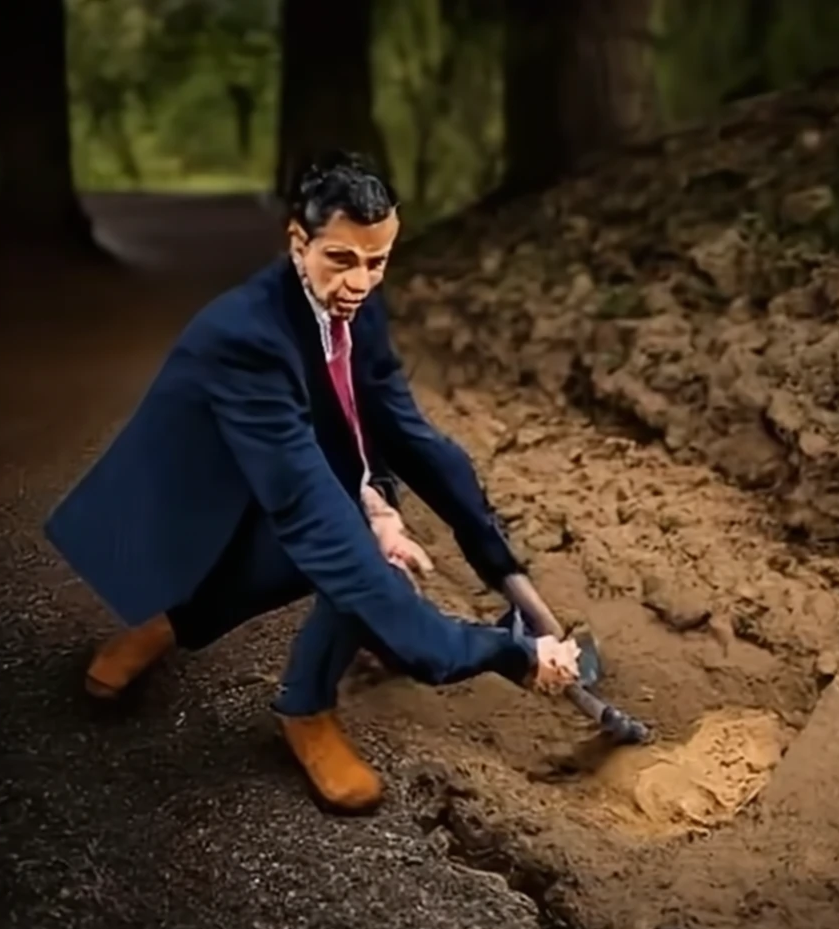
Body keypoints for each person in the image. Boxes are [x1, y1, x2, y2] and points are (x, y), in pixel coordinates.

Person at [44, 151, 580, 814]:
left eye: (378, 261)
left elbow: (407, 431)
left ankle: (303, 704)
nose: (361, 280)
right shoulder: (244, 337)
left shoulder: (356, 304)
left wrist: (493, 560)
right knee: (351, 560)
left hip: (303, 471)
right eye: (342, 259)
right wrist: (510, 654)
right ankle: (188, 628)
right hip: (214, 492)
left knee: (371, 531)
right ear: (298, 243)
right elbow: (308, 511)